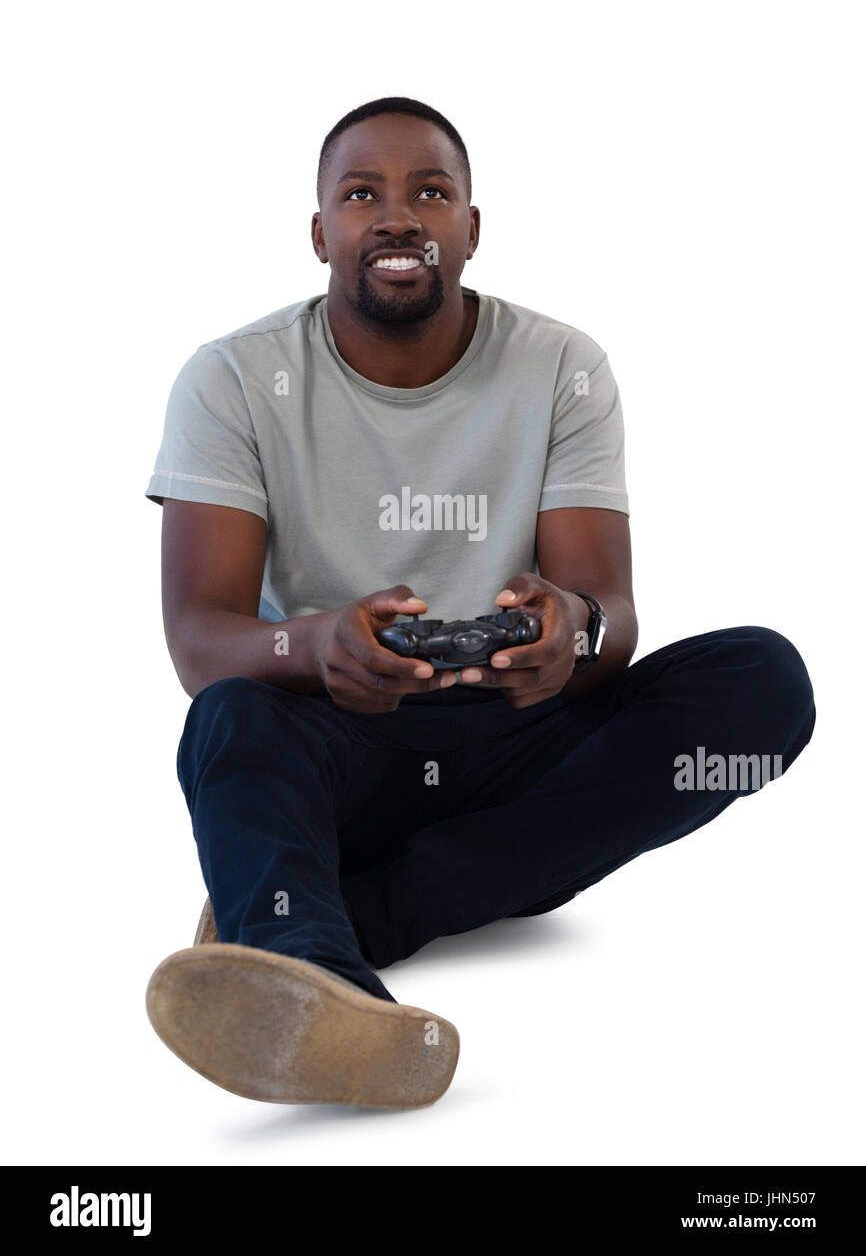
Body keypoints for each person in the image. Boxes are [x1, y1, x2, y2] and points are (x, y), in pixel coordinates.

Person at [143, 96, 816, 1110]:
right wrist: (317, 639)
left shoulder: (560, 366)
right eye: (361, 193)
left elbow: (611, 616)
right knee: (229, 717)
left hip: (518, 733)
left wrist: (571, 632)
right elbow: (202, 637)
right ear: (320, 230)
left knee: (760, 684)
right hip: (345, 737)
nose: (397, 216)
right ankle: (315, 974)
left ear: (469, 228)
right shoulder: (234, 378)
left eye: (430, 191)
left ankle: (340, 924)